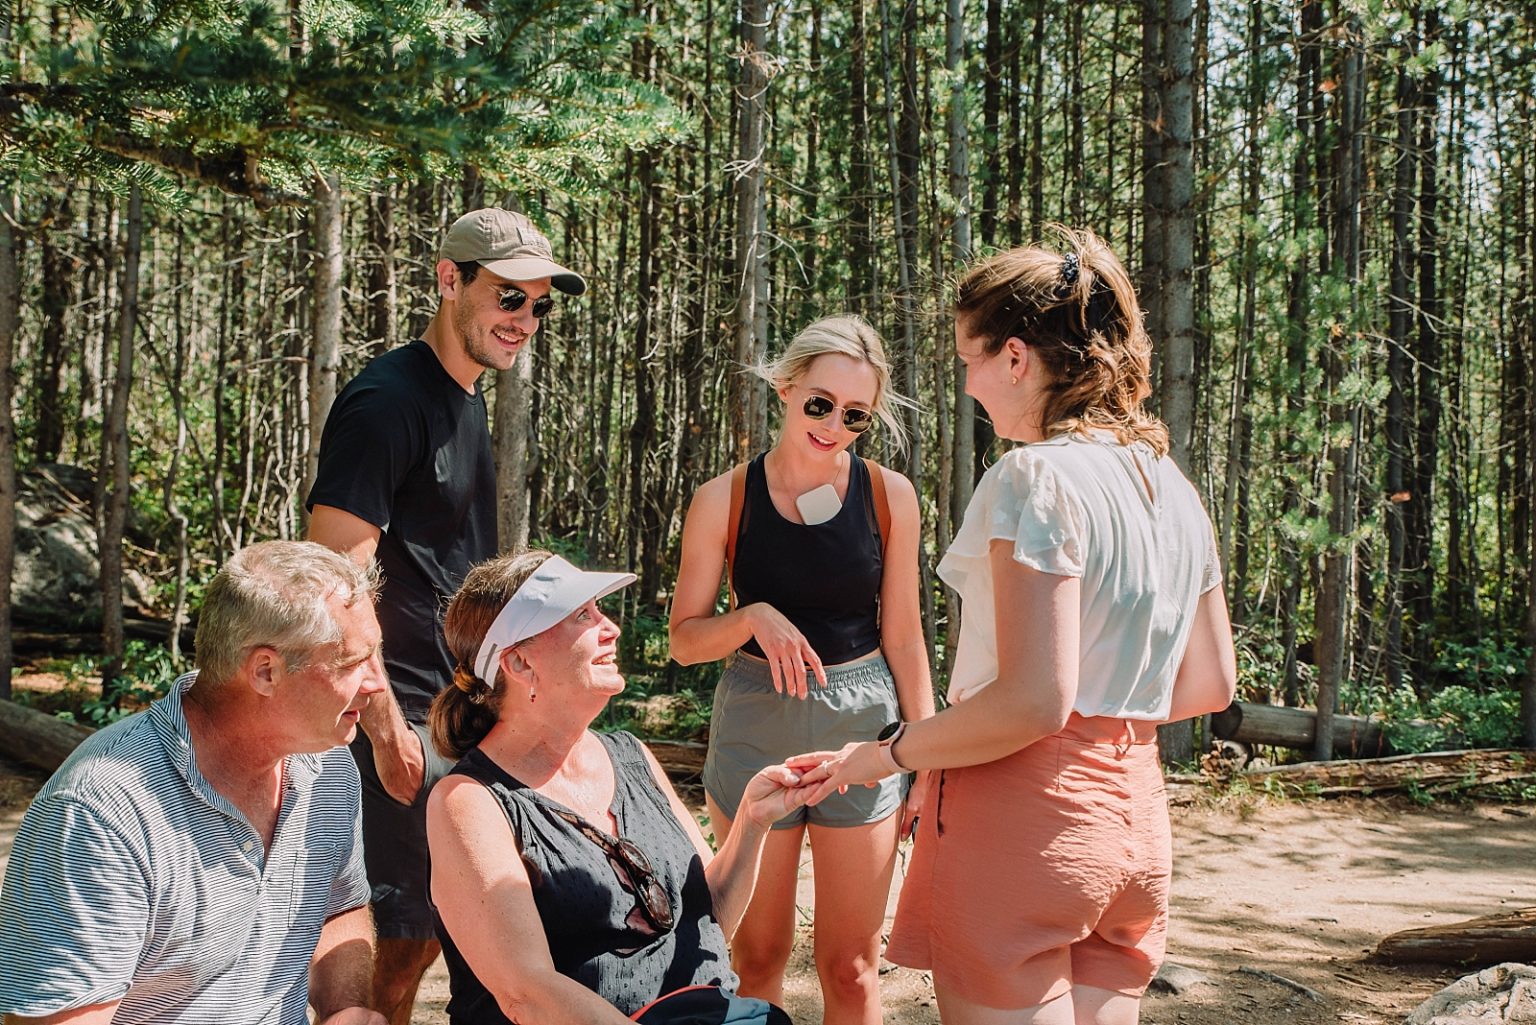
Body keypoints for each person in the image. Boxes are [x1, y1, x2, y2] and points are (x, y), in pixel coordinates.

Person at [792, 229, 1239, 1025]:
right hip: (1137, 817)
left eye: (970, 358)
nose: (967, 384)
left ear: (1017, 357)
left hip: (1024, 819)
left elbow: (1034, 700)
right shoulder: (1170, 483)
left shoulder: (1036, 476)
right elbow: (1211, 683)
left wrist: (886, 754)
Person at [306, 207, 587, 1023]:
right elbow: (332, 575)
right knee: (388, 947)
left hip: (453, 708)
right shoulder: (386, 403)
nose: (525, 321)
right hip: (394, 717)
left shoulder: (463, 397)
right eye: (508, 297)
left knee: (432, 937)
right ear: (449, 279)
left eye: (540, 305)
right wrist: (384, 725)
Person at [668, 314, 934, 1025]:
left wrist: (928, 757)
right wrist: (750, 616)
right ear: (785, 389)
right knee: (758, 958)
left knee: (850, 966)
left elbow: (905, 637)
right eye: (820, 403)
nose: (834, 425)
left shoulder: (889, 495)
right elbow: (685, 641)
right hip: (757, 721)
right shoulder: (723, 498)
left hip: (863, 725)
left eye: (856, 415)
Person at [0, 541, 389, 1025]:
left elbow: (339, 905)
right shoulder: (98, 812)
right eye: (352, 663)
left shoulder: (327, 762)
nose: (376, 683)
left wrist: (345, 1006)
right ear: (266, 671)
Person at [425, 550, 805, 1024]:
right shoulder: (468, 802)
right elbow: (527, 994)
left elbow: (707, 926)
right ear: (519, 663)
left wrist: (751, 823)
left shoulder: (631, 755)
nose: (611, 628)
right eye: (582, 615)